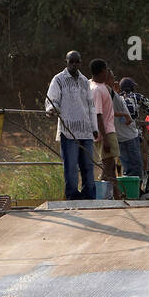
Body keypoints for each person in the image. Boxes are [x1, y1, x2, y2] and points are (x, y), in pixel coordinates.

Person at [45, 50, 97, 200]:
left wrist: (94, 128)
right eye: (71, 61)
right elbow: (52, 99)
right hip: (68, 131)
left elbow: (91, 106)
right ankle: (73, 197)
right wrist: (51, 109)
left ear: (80, 62)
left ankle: (89, 197)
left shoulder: (85, 81)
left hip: (86, 130)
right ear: (66, 62)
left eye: (77, 61)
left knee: (88, 166)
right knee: (71, 167)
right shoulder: (59, 79)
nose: (74, 64)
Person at [88, 59, 118, 194]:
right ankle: (104, 195)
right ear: (101, 71)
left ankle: (114, 195)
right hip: (106, 132)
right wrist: (105, 138)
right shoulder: (97, 90)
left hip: (109, 130)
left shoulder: (102, 87)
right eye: (106, 69)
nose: (108, 72)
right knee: (108, 166)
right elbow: (97, 115)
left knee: (111, 166)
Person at [110, 76, 142, 179]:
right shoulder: (135, 97)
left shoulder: (116, 96)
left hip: (125, 135)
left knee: (129, 167)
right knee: (134, 169)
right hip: (126, 137)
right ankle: (131, 193)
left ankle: (130, 192)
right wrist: (125, 115)